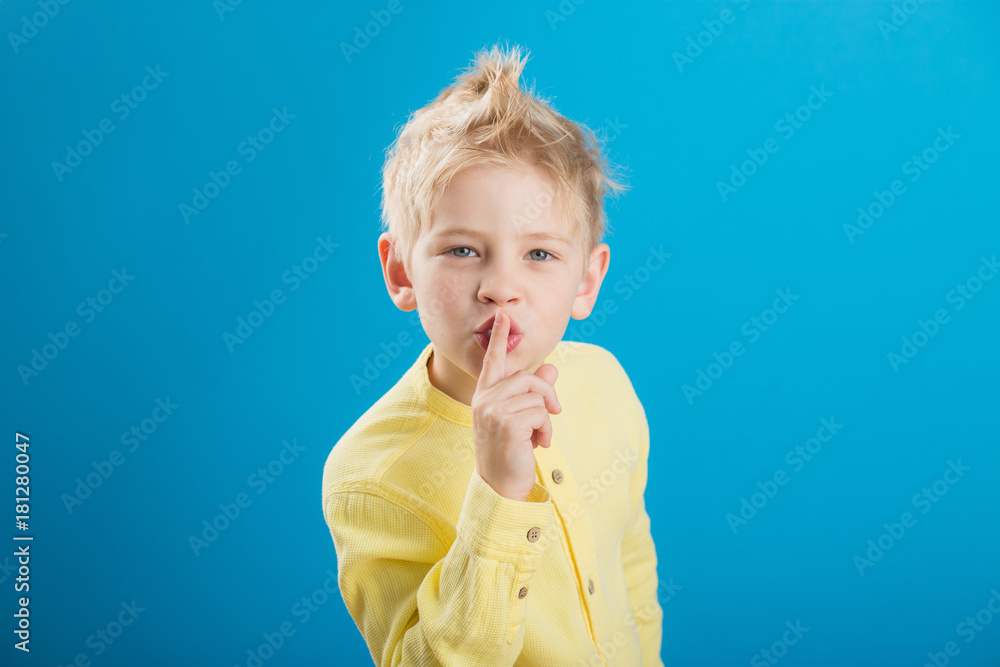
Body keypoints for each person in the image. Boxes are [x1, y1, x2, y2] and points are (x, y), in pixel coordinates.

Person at [322, 42, 664, 666]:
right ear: (401, 272)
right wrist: (499, 493)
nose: (500, 287)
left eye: (539, 254)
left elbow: (631, 563)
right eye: (461, 250)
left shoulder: (606, 384)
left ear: (586, 281)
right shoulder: (367, 476)